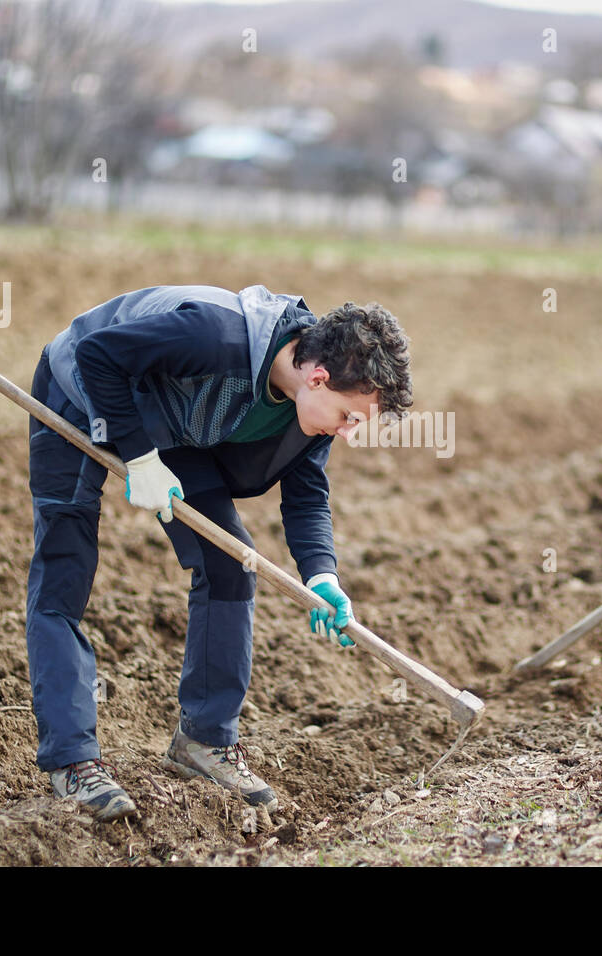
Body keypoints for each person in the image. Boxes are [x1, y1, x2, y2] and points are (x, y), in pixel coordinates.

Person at [26, 285, 412, 819]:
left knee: (230, 564)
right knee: (66, 569)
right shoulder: (217, 337)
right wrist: (138, 458)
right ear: (318, 377)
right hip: (81, 385)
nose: (347, 433)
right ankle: (72, 762)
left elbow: (307, 493)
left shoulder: (309, 408)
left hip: (173, 420)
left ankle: (204, 741)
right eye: (349, 417)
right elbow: (100, 356)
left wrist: (323, 576)